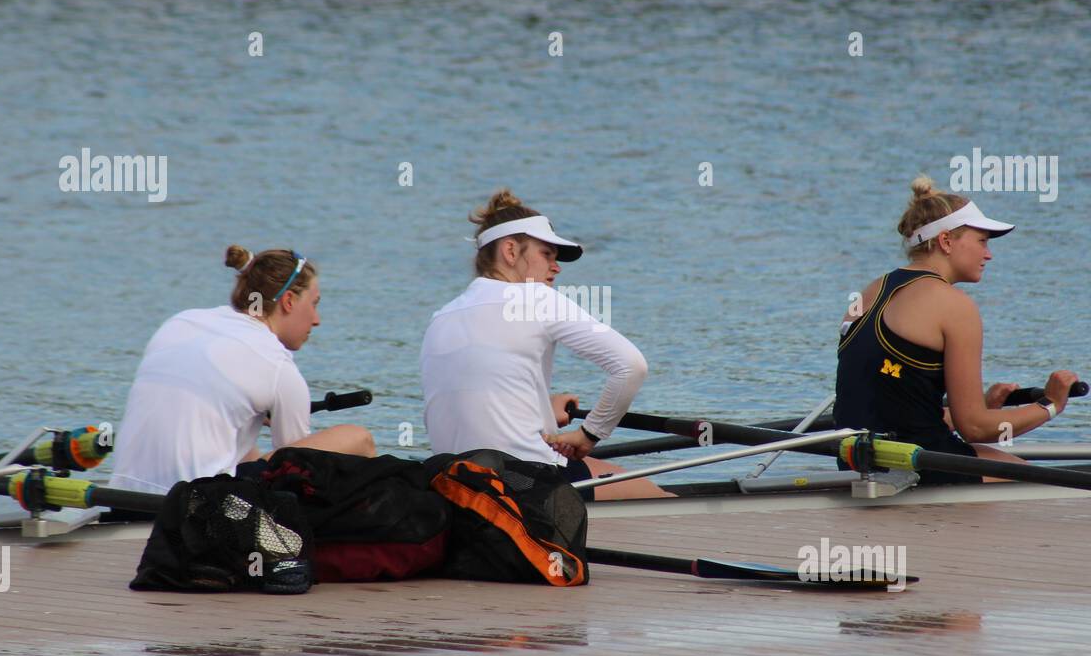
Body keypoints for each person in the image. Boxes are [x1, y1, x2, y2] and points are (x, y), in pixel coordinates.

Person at [420, 190, 672, 499]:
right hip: (526, 482)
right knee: (655, 495)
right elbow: (631, 367)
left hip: (452, 481)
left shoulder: (442, 316)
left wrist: (542, 408)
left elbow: (476, 392)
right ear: (510, 251)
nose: (557, 267)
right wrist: (589, 433)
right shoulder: (535, 297)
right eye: (546, 255)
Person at [834, 176, 1080, 484]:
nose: (988, 254)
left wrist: (985, 407)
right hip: (916, 463)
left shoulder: (871, 290)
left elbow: (891, 402)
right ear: (946, 241)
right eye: (982, 241)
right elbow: (975, 429)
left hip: (856, 460)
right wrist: (1050, 405)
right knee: (1041, 484)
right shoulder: (954, 305)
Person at [108, 246, 374, 495]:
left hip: (121, 496)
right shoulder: (278, 366)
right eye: (314, 303)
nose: (316, 320)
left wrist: (252, 417)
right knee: (357, 438)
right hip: (192, 505)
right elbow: (294, 467)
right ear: (289, 301)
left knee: (240, 445)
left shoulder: (182, 321)